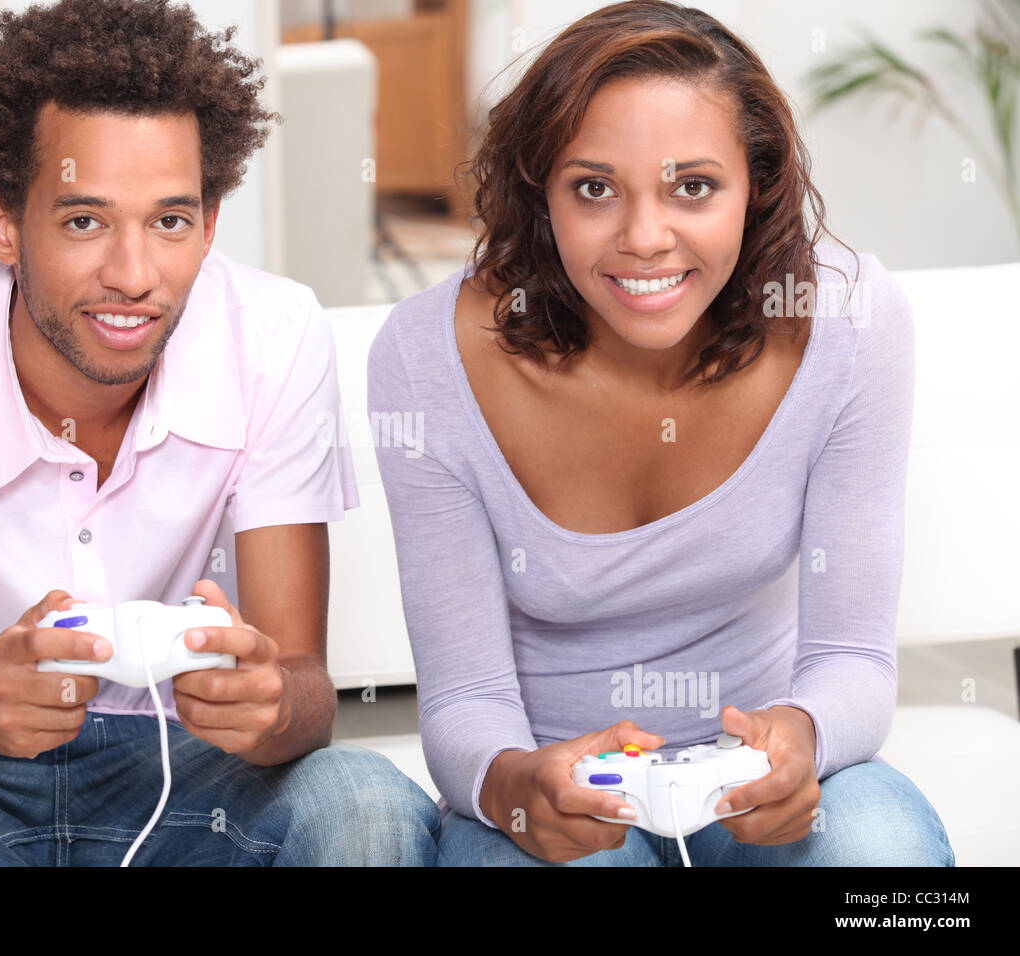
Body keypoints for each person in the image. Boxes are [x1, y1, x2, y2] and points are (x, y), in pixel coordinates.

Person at [0, 0, 439, 867]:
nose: (134, 276)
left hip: (191, 777)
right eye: (84, 221)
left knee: (366, 808)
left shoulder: (274, 335)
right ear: (1, 221)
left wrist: (263, 704)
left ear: (210, 224)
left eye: (171, 221)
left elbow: (305, 694)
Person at [368, 0, 953, 866]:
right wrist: (517, 787)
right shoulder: (428, 358)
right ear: (540, 193)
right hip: (564, 792)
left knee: (878, 851)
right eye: (594, 188)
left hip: (761, 775)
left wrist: (801, 738)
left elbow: (851, 658)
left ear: (755, 186)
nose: (645, 239)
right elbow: (466, 702)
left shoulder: (847, 322)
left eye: (694, 186)